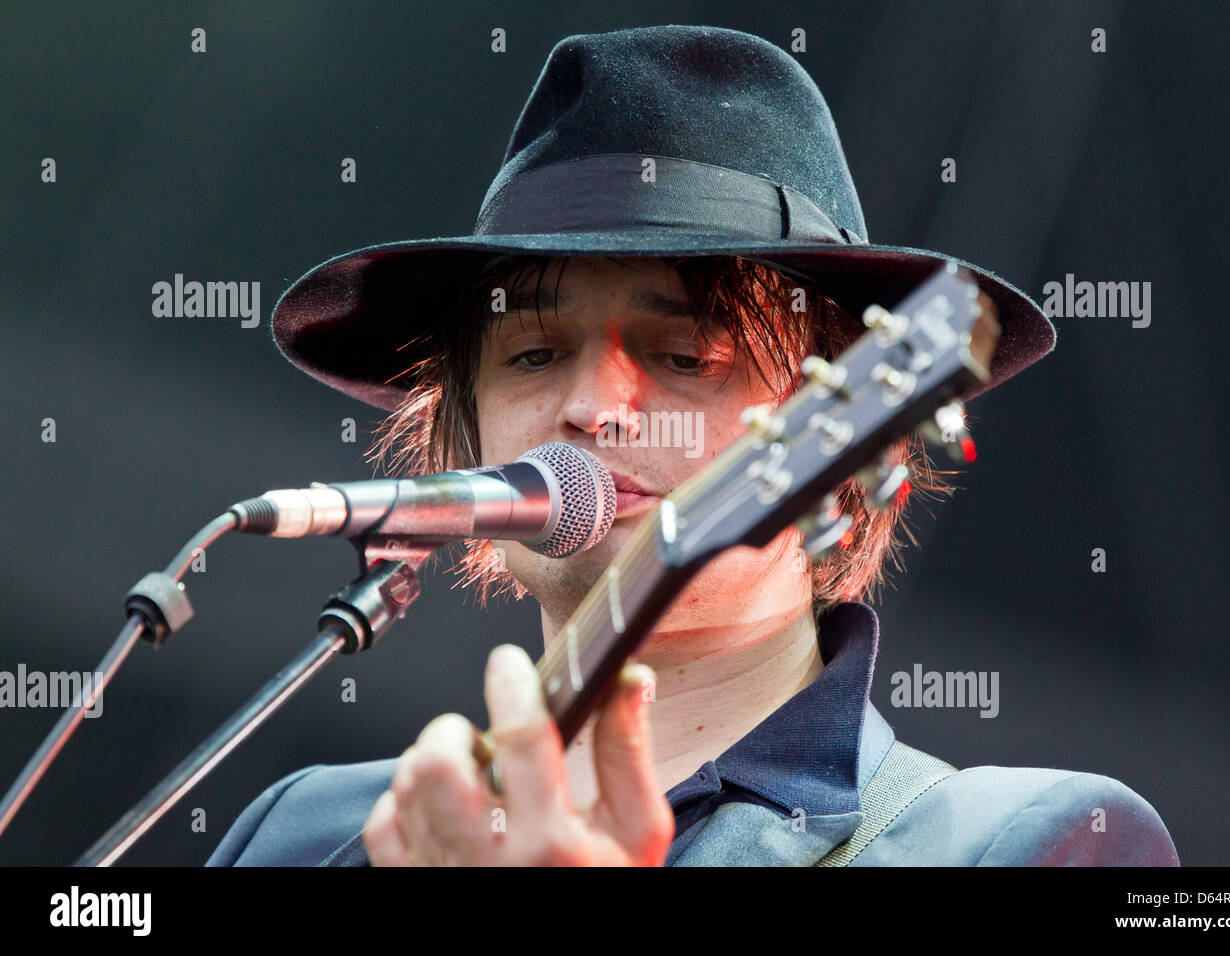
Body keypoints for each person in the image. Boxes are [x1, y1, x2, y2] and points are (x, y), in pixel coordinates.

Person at [206, 25, 1178, 866]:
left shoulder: (1025, 841)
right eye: (535, 351)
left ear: (842, 453)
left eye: (683, 354)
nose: (593, 403)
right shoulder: (307, 830)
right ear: (457, 432)